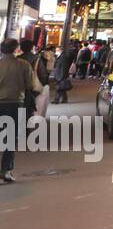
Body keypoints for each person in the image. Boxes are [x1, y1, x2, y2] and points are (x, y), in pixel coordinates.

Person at [0, 39, 42, 183]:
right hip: (15, 103)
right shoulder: (23, 65)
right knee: (10, 138)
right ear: (16, 49)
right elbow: (31, 84)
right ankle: (6, 170)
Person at [50, 40, 77, 104]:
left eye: (57, 50)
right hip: (61, 74)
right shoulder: (61, 56)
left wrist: (60, 76)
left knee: (59, 88)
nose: (55, 52)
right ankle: (64, 100)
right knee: (62, 88)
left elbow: (63, 68)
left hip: (61, 75)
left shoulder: (63, 57)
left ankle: (57, 100)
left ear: (60, 50)